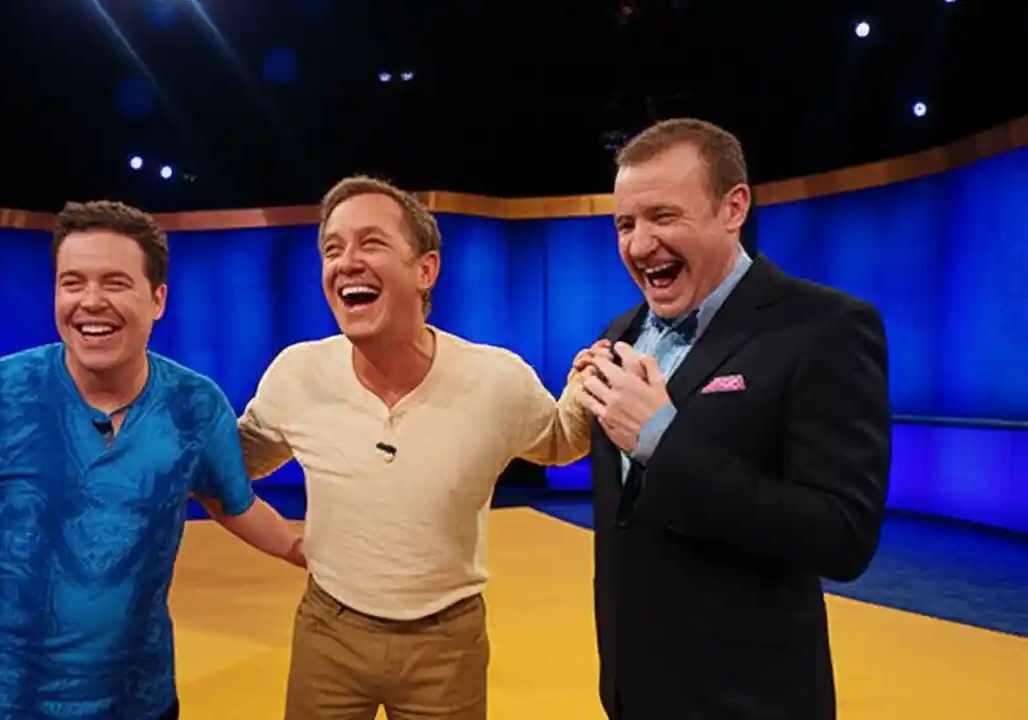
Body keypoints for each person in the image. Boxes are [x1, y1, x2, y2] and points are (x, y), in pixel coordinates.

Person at [0, 200, 306, 720]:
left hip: (138, 701)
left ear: (158, 298)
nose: (90, 301)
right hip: (0, 701)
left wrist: (310, 551)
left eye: (114, 283)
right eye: (73, 283)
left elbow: (231, 501)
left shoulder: (196, 405)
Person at [218, 175, 594, 719]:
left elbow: (559, 442)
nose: (346, 261)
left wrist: (585, 386)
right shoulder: (297, 375)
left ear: (426, 270)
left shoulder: (496, 380)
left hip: (447, 642)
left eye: (371, 242)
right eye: (332, 248)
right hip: (329, 633)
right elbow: (229, 465)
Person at [574, 118, 891, 719]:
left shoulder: (825, 328)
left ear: (733, 207)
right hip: (632, 694)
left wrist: (662, 443)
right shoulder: (620, 335)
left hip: (749, 701)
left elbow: (842, 535)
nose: (640, 244)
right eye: (625, 223)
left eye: (663, 216)